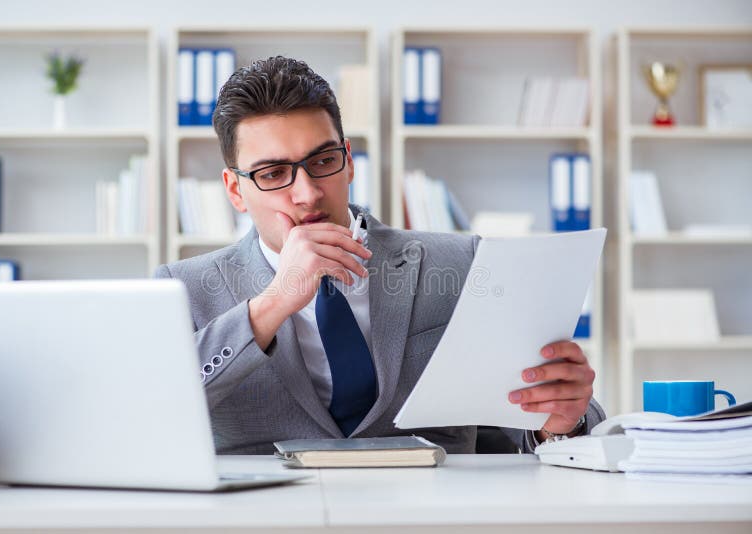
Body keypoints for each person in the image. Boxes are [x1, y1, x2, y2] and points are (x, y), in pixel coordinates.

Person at [155, 56, 605, 454]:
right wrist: (273, 303)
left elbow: (533, 424)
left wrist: (561, 424)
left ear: (349, 160)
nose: (308, 192)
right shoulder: (184, 289)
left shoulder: (459, 264)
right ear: (235, 189)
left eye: (323, 161)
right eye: (274, 173)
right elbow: (151, 408)